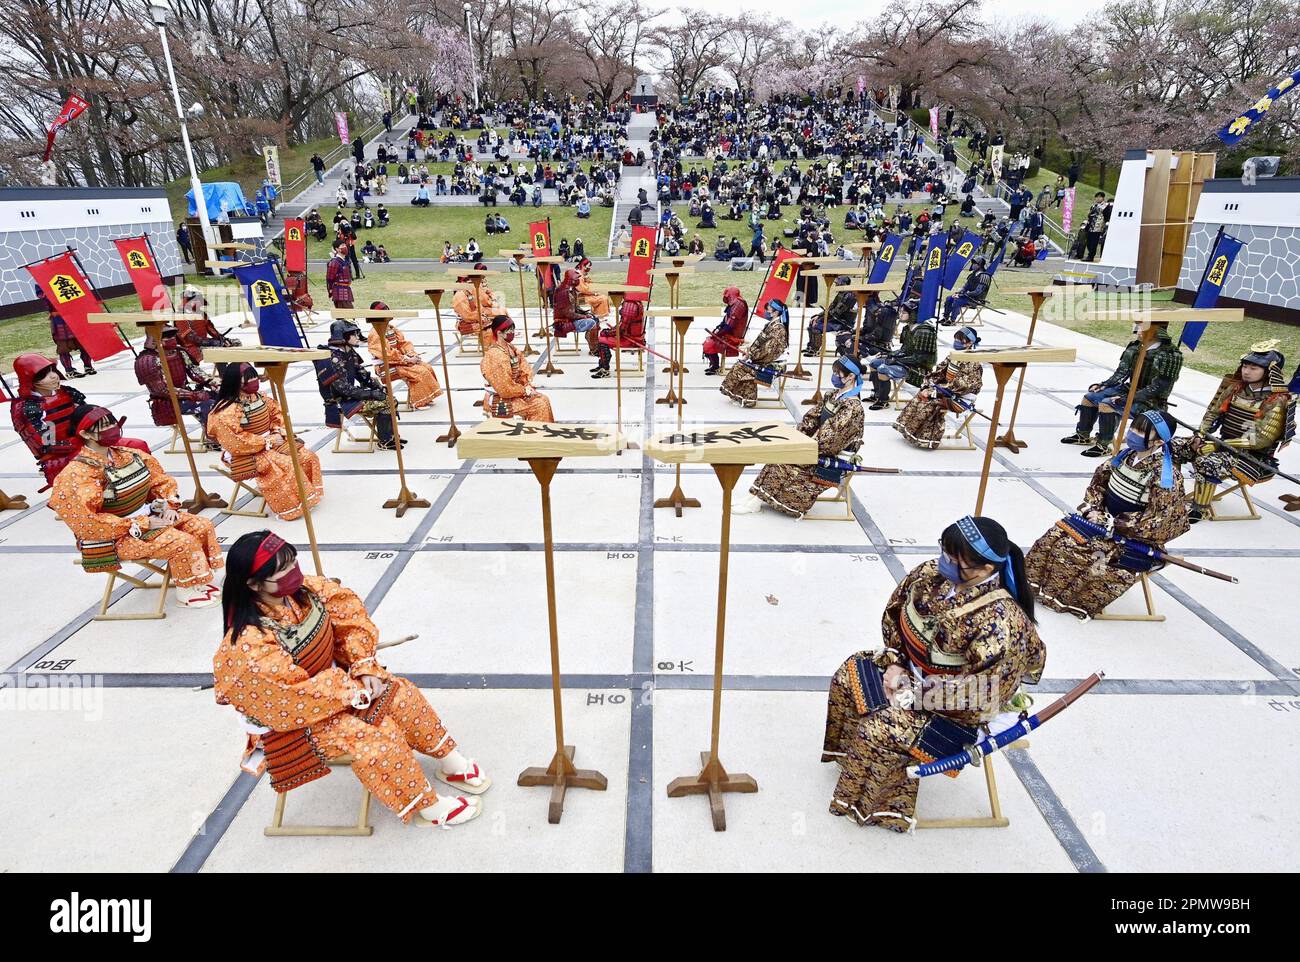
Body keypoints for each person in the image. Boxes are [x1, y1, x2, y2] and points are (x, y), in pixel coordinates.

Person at [213, 531, 488, 828]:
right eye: (282, 569)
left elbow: (350, 618)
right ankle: (428, 807)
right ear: (253, 584)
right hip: (295, 722)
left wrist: (363, 666)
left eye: (293, 561)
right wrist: (349, 690)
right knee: (375, 737)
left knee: (400, 693)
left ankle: (450, 761)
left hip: (339, 690)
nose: (294, 571)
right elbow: (288, 697)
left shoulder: (307, 591)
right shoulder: (247, 645)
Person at [822, 515, 1044, 831]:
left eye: (957, 560)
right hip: (909, 672)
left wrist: (914, 695)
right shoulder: (930, 574)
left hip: (957, 712)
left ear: (985, 570)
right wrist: (897, 662)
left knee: (882, 728)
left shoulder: (1004, 624)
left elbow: (983, 695)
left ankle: (878, 806)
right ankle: (854, 763)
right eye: (946, 553)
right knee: (850, 674)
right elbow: (895, 613)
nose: (946, 562)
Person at [50, 404, 223, 609]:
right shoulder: (76, 474)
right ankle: (186, 592)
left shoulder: (127, 454)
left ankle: (198, 581)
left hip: (150, 516)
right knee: (181, 541)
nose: (112, 428)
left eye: (112, 422)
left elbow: (159, 480)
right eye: (104, 426)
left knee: (201, 525)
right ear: (85, 433)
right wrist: (142, 522)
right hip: (115, 536)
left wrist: (168, 505)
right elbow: (86, 522)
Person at [1026, 409, 1189, 618]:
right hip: (1100, 522)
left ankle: (1069, 598)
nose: (1133, 433)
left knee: (1076, 550)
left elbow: (1160, 520)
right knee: (1054, 536)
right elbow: (1099, 484)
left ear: (1157, 442)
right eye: (1134, 427)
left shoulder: (1167, 477)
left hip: (1132, 537)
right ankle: (1031, 585)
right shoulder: (1125, 456)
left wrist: (1111, 522)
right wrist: (1094, 509)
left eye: (1140, 431)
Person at [1174, 341, 1295, 522]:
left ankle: (1201, 509)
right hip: (1223, 445)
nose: (1246, 371)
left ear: (1270, 371)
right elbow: (1212, 413)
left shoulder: (1277, 400)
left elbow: (1260, 439)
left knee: (1208, 461)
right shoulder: (1235, 388)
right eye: (1246, 365)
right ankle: (1173, 493)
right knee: (1175, 445)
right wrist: (1200, 435)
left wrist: (1215, 445)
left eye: (1254, 368)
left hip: (1253, 458)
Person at [737, 356, 867, 517]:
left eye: (837, 373)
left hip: (830, 454)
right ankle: (754, 495)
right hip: (817, 444)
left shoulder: (853, 408)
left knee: (786, 459)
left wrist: (807, 446)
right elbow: (813, 417)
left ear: (850, 377)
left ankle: (758, 500)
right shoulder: (834, 395)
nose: (834, 376)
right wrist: (798, 435)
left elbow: (833, 438)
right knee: (781, 448)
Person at [206, 363, 324, 522]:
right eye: (248, 378)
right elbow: (234, 441)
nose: (254, 380)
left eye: (254, 376)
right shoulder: (225, 410)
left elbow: (277, 415)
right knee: (285, 466)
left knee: (307, 456)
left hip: (271, 440)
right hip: (245, 450)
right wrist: (266, 441)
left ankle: (307, 496)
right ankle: (290, 508)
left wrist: (277, 432)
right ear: (235, 381)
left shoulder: (260, 397)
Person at [10, 354, 148, 487]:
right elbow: (46, 444)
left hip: (91, 442)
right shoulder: (28, 408)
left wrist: (106, 428)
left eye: (53, 370)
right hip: (62, 454)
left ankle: (148, 486)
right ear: (30, 380)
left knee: (138, 445)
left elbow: (88, 419)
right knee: (101, 463)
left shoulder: (68, 393)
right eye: (45, 374)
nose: (53, 376)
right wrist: (80, 442)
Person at [1061, 326, 1183, 457]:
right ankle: (1082, 435)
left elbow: (1159, 387)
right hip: (1129, 390)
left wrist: (1130, 398)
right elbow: (1122, 372)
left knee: (1107, 404)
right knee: (1090, 397)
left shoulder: (1170, 355)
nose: (1138, 332)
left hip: (1151, 401)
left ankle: (1104, 444)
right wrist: (1104, 385)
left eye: (1143, 329)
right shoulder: (1136, 347)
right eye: (1138, 328)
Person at [313, 319, 401, 450]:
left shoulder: (349, 352)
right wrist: (370, 394)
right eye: (353, 334)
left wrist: (378, 387)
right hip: (341, 400)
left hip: (352, 394)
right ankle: (385, 441)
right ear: (343, 337)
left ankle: (390, 436)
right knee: (386, 402)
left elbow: (362, 374)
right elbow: (343, 389)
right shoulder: (330, 358)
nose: (357, 337)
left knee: (389, 397)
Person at [894, 326, 984, 448]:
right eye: (956, 339)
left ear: (970, 343)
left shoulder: (973, 362)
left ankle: (926, 439)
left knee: (932, 403)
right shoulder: (953, 356)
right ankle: (908, 429)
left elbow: (963, 385)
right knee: (920, 396)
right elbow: (940, 372)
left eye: (960, 340)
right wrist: (928, 385)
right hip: (945, 389)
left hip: (960, 397)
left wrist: (935, 392)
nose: (956, 342)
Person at [134, 326, 219, 441]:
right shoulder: (147, 361)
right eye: (166, 337)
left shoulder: (179, 352)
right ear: (154, 339)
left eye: (172, 335)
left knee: (223, 395)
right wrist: (192, 395)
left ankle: (223, 430)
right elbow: (162, 390)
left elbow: (194, 370)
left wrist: (211, 382)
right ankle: (212, 438)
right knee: (207, 404)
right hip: (167, 402)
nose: (172, 338)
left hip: (187, 393)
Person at [365, 300, 442, 408]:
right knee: (418, 372)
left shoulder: (391, 328)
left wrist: (411, 354)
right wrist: (407, 360)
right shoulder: (375, 333)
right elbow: (386, 354)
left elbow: (403, 344)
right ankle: (418, 401)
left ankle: (426, 398)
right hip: (385, 366)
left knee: (427, 367)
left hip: (399, 361)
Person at [481, 315, 555, 421]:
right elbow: (504, 388)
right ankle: (535, 436)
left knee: (544, 399)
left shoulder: (510, 348)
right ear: (499, 333)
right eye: (509, 330)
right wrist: (524, 390)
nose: (512, 333)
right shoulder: (496, 355)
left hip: (516, 391)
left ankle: (543, 434)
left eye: (513, 329)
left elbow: (524, 367)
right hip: (502, 397)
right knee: (539, 405)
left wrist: (527, 384)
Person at [720, 298, 789, 407]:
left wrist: (751, 356)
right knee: (741, 365)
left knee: (742, 367)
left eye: (769, 310)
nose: (767, 312)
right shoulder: (772, 325)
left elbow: (769, 351)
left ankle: (748, 399)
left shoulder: (778, 329)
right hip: (763, 359)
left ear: (775, 312)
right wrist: (750, 352)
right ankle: (742, 396)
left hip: (771, 364)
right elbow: (761, 345)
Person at [867, 311, 937, 410]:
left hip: (917, 368)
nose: (900, 314)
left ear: (913, 313)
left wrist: (897, 360)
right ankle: (877, 394)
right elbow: (904, 350)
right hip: (905, 362)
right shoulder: (907, 328)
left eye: (904, 312)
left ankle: (883, 401)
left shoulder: (924, 331)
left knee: (882, 368)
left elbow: (921, 359)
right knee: (874, 363)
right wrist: (888, 355)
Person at [38, 287, 95, 378]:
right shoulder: (41, 282)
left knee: (84, 344)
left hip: (75, 317)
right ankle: (69, 371)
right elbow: (43, 296)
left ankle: (88, 366)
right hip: (59, 320)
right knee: (63, 348)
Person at [591, 298, 647, 379]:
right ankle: (602, 365)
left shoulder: (630, 305)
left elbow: (621, 328)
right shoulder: (635, 302)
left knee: (602, 340)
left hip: (630, 339)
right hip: (632, 337)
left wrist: (608, 332)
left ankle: (605, 369)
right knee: (603, 336)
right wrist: (610, 331)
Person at [804, 276, 856, 357]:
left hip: (842, 322)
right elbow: (831, 307)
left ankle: (814, 349)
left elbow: (836, 313)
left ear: (843, 284)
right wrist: (818, 316)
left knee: (816, 326)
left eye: (838, 284)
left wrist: (821, 318)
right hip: (834, 319)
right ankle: (811, 346)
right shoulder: (841, 293)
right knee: (813, 320)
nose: (836, 285)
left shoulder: (849, 297)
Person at [703, 286, 749, 375]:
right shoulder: (734, 305)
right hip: (729, 332)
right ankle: (714, 365)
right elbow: (725, 321)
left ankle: (715, 366)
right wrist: (717, 329)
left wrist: (718, 334)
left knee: (709, 344)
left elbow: (729, 326)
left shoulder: (738, 305)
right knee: (708, 341)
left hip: (733, 335)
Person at [551, 266, 599, 353]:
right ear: (571, 279)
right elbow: (568, 314)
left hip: (570, 319)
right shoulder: (562, 292)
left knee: (594, 318)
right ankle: (594, 349)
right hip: (563, 323)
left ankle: (593, 342)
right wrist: (584, 317)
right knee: (592, 322)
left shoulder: (570, 289)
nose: (578, 280)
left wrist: (586, 314)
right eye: (576, 278)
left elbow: (575, 308)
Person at [452, 267, 504, 337]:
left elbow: (479, 305)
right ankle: (504, 333)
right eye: (470, 282)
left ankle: (506, 331)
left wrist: (483, 313)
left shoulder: (469, 292)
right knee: (499, 319)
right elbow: (467, 316)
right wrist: (483, 316)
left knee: (501, 316)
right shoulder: (460, 297)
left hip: (477, 317)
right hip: (466, 324)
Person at [940, 255, 991, 326]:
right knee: (949, 298)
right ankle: (946, 317)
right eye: (973, 263)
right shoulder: (972, 275)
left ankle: (952, 320)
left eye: (975, 264)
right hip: (966, 296)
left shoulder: (984, 276)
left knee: (957, 301)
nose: (973, 265)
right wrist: (959, 293)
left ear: (980, 265)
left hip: (976, 299)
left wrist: (962, 295)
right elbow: (965, 287)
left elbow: (977, 292)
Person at [326, 238, 354, 309]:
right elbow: (330, 278)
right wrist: (330, 290)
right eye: (342, 245)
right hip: (339, 291)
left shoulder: (345, 261)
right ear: (337, 249)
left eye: (345, 245)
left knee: (348, 315)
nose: (345, 247)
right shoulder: (334, 262)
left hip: (346, 288)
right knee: (347, 315)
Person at [1083, 191, 1108, 262]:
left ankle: (1090, 256)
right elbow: (1089, 214)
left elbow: (1107, 216)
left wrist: (1104, 225)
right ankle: (1089, 254)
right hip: (1090, 225)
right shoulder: (1094, 205)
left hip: (1098, 226)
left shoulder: (1105, 206)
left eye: (1100, 197)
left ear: (1103, 198)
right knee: (1088, 241)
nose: (1098, 198)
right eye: (1097, 197)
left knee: (1094, 242)